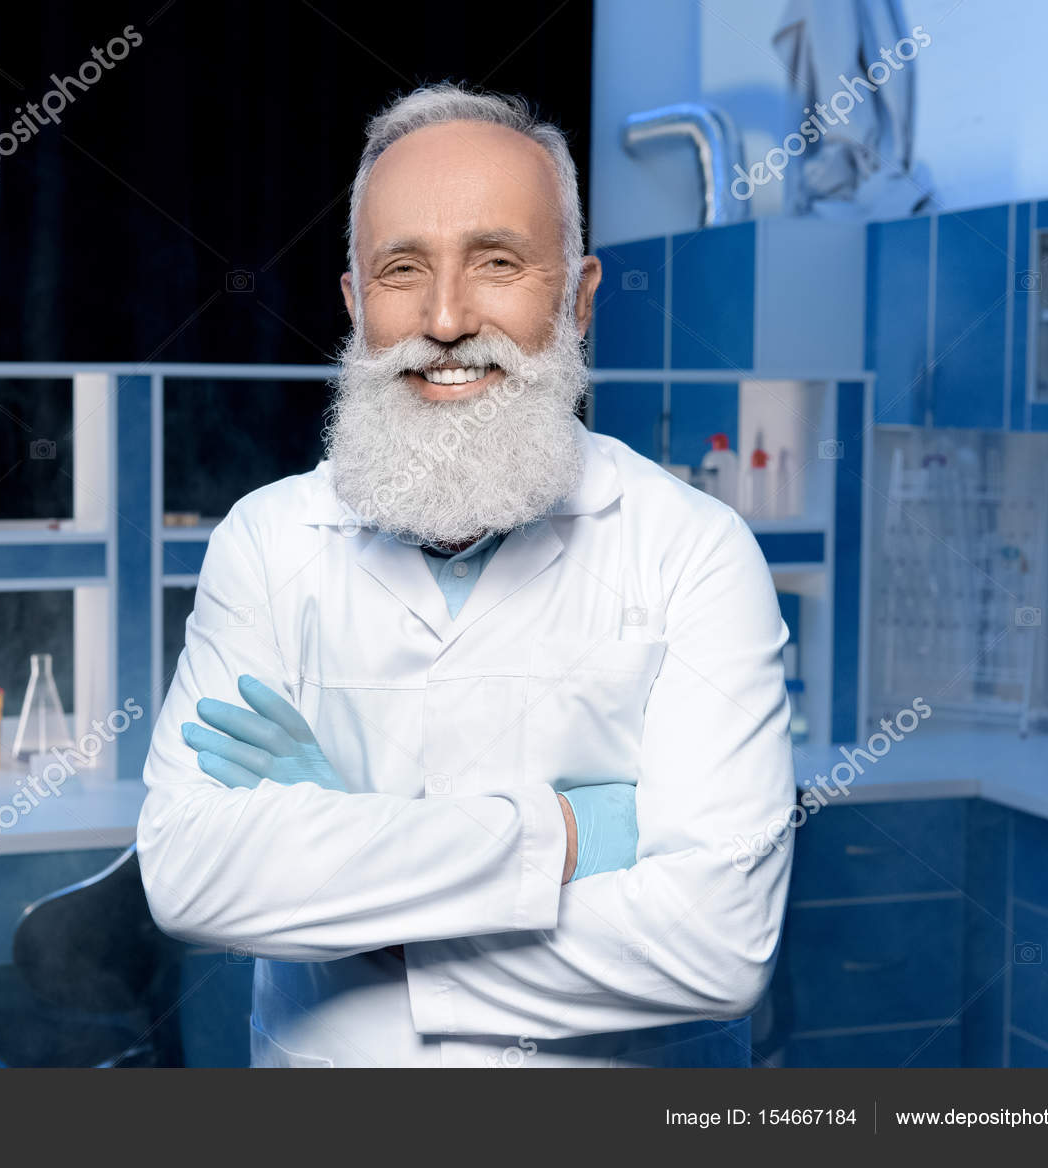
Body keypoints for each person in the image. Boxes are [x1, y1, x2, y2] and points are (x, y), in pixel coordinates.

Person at [137, 83, 794, 1067]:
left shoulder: (693, 549)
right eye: (403, 269)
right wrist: (569, 837)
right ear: (357, 306)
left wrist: (361, 882)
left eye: (496, 262)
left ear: (576, 298)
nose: (444, 317)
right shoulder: (268, 541)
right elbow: (189, 876)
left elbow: (716, 949)